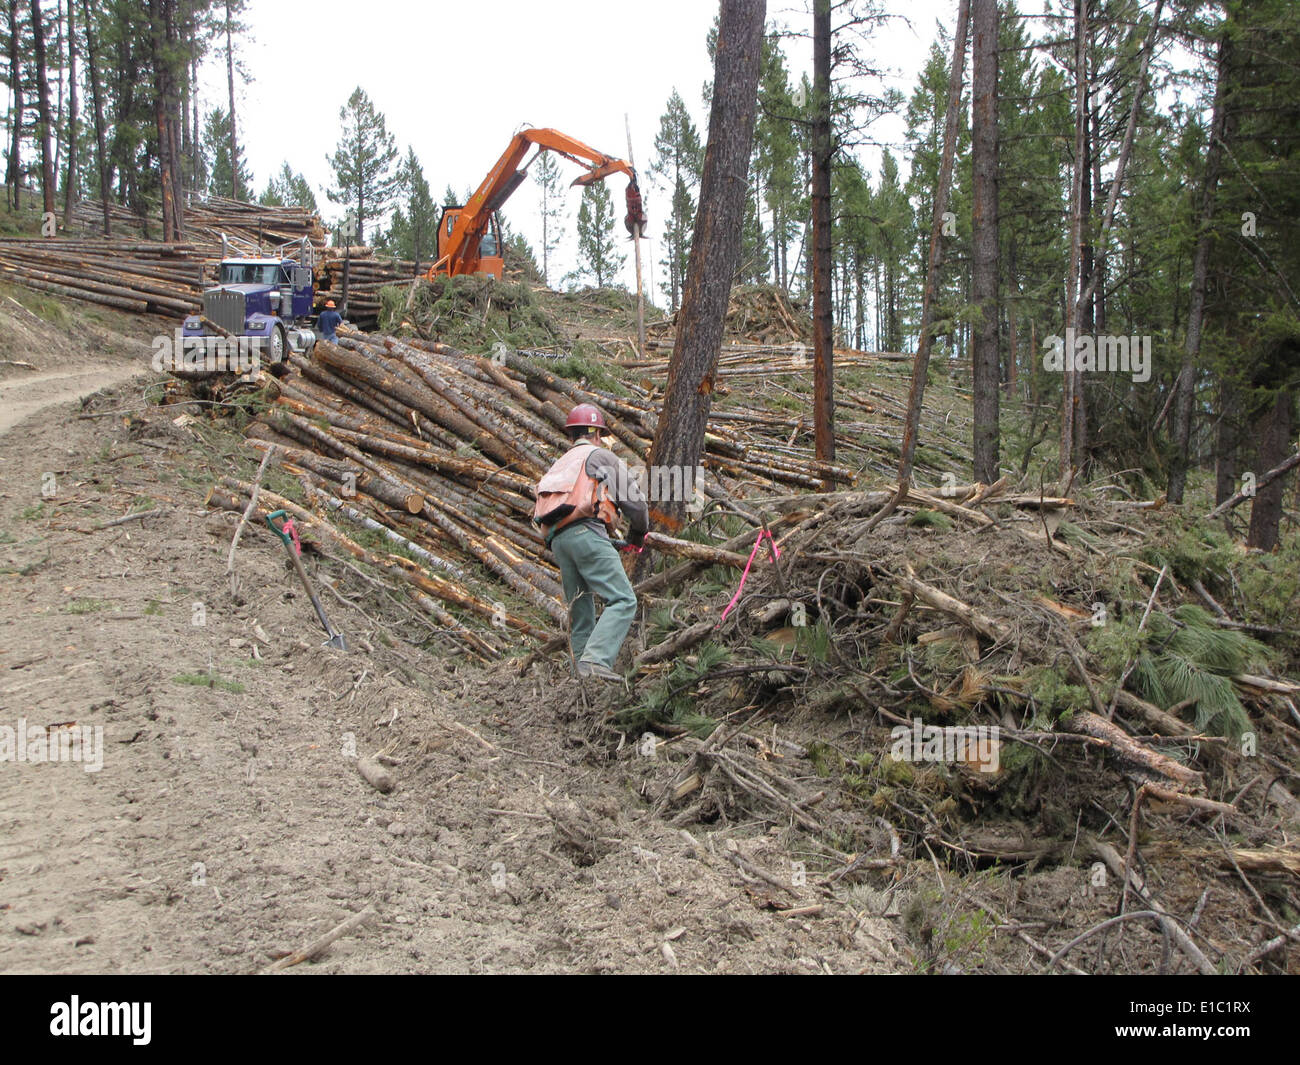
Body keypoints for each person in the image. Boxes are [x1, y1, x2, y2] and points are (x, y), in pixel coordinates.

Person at [534, 403, 648, 682]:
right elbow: (635, 505)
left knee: (582, 611)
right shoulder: (599, 456)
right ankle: (595, 662)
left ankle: (579, 680)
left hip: (558, 542)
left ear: (572, 434)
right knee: (622, 599)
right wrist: (637, 536)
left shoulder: (562, 463)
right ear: (597, 433)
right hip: (587, 533)